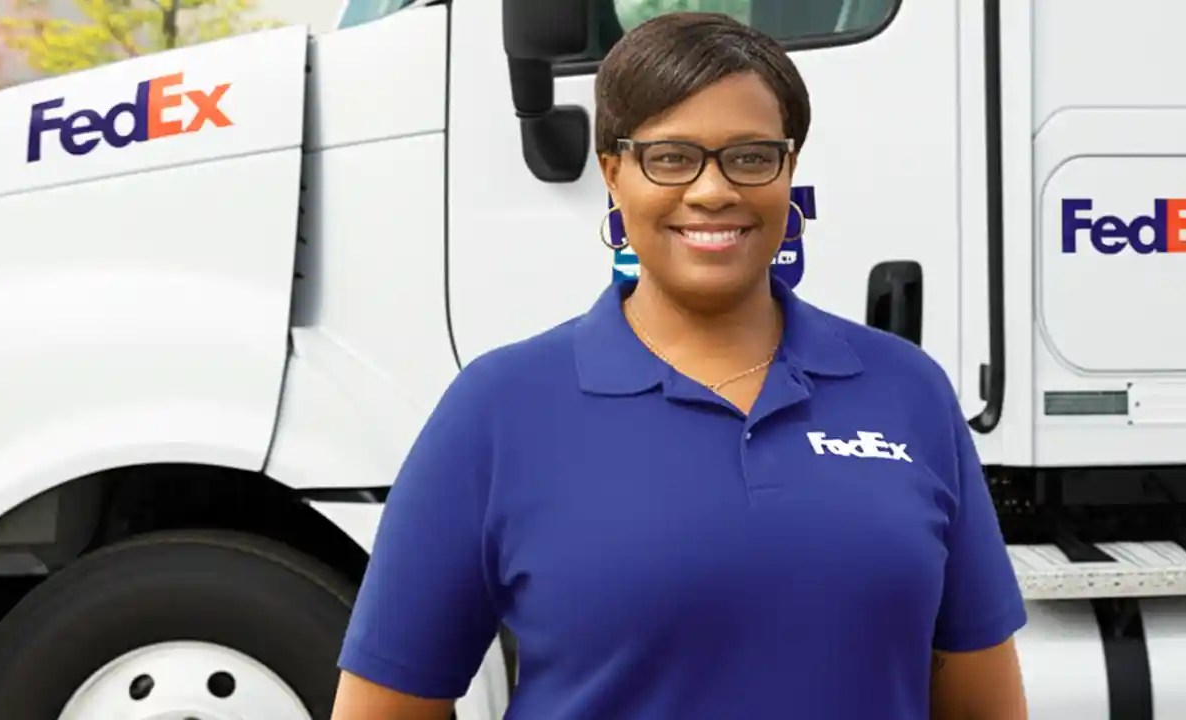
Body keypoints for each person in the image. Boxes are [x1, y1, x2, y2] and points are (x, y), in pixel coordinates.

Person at [330, 11, 1029, 720]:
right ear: (613, 173)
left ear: (789, 170)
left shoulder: (906, 390)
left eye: (751, 157)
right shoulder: (498, 409)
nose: (713, 190)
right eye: (670, 158)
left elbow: (983, 702)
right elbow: (385, 707)